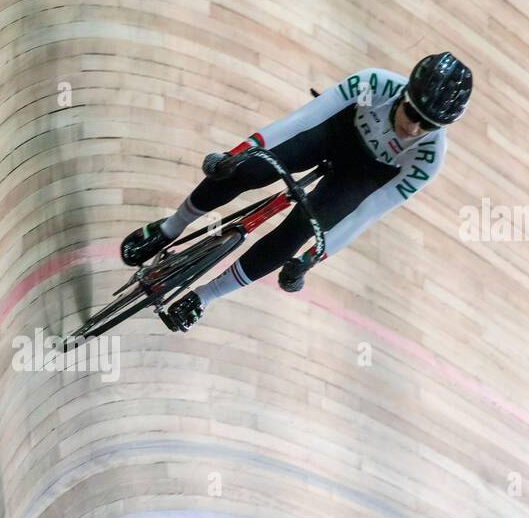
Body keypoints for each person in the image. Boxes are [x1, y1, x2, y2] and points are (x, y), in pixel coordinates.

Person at [118, 53, 473, 332]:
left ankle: (206, 296)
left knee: (301, 231)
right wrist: (237, 153)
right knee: (247, 169)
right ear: (404, 93)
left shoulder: (429, 158)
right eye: (412, 112)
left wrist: (314, 258)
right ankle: (170, 228)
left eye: (428, 125)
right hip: (335, 133)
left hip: (363, 176)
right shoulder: (374, 84)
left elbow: (369, 211)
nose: (413, 128)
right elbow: (300, 121)